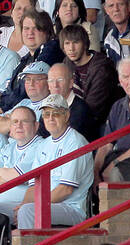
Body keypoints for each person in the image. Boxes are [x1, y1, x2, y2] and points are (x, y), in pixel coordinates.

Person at [15, 94, 92, 228]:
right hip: (47, 205)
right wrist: (22, 205)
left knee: (27, 212)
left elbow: (66, 189)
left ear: (66, 116)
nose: (50, 118)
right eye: (46, 114)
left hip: (71, 208)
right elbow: (34, 187)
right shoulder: (43, 144)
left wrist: (33, 206)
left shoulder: (75, 142)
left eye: (56, 113)